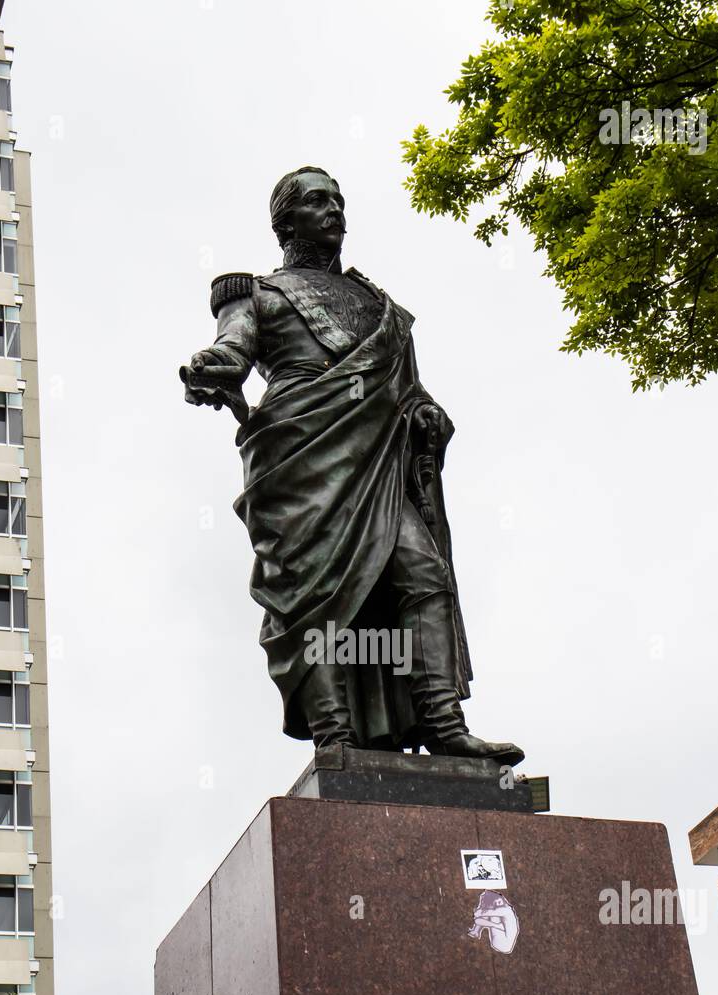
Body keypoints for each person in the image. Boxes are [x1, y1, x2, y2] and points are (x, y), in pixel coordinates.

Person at [181, 166, 523, 763]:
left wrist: (428, 414)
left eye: (339, 201)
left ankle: (444, 722)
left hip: (381, 465)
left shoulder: (380, 306)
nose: (335, 210)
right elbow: (232, 350)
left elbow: (411, 391)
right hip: (301, 460)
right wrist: (211, 367)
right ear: (285, 221)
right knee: (315, 599)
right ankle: (334, 735)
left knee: (424, 577)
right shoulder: (256, 294)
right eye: (318, 201)